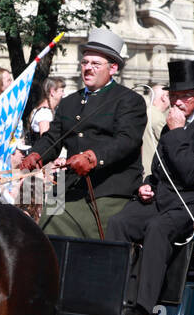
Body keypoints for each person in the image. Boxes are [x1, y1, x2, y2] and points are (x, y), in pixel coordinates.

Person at [107, 60, 194, 315]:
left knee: (158, 228)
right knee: (120, 222)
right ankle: (118, 295)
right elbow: (161, 168)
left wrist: (176, 132)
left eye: (184, 96)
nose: (177, 102)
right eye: (174, 96)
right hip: (168, 196)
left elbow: (192, 172)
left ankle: (143, 308)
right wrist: (149, 184)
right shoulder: (173, 123)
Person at [17, 27, 146, 239]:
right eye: (85, 63)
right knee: (47, 220)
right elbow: (52, 138)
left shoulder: (129, 101)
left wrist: (93, 158)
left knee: (94, 237)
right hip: (70, 186)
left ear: (113, 68)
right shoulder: (70, 102)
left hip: (109, 189)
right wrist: (36, 154)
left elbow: (127, 140)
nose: (88, 68)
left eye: (96, 64)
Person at [27, 77, 66, 151]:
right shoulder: (45, 113)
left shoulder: (43, 110)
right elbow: (46, 142)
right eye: (62, 91)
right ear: (52, 92)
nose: (63, 94)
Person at [139, 82, 170, 176]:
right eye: (170, 96)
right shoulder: (158, 118)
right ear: (164, 98)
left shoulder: (143, 112)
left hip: (141, 170)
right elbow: (171, 145)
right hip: (151, 172)